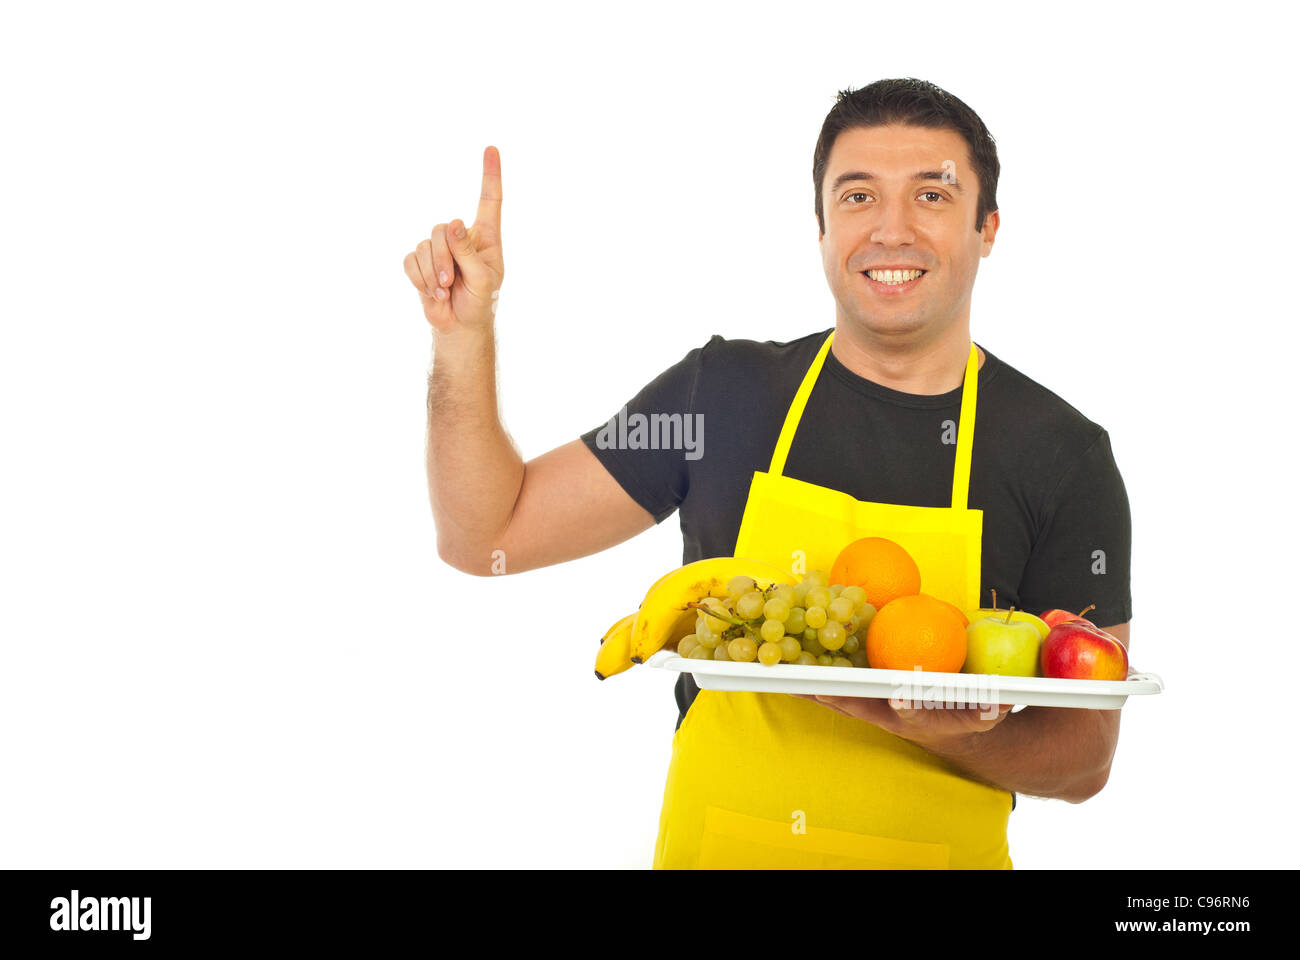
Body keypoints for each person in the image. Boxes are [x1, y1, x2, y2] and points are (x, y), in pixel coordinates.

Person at [405, 78, 1132, 869]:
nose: (892, 230)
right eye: (857, 197)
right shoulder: (720, 395)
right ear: (821, 227)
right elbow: (485, 536)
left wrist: (932, 729)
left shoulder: (1062, 454)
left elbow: (1085, 758)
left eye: (931, 194)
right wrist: (463, 336)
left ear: (987, 228)